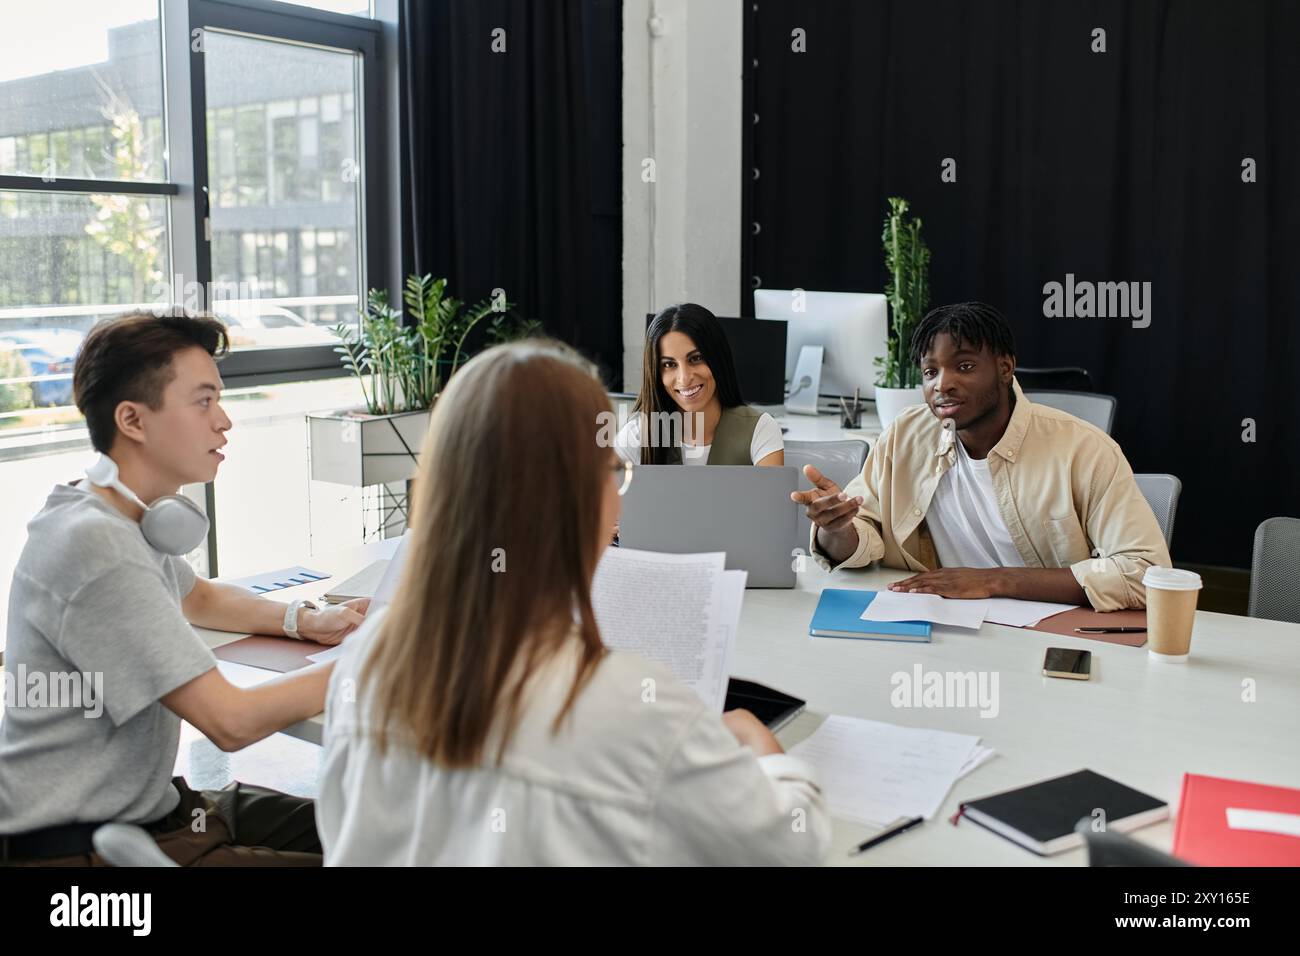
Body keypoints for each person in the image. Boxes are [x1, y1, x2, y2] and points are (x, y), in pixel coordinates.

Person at [318, 340, 830, 865]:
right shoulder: (629, 705)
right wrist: (760, 748)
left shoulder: (369, 655)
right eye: (614, 471)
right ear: (581, 496)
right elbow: (794, 847)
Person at [0, 310, 368, 866]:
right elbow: (231, 722)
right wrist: (373, 659)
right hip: (88, 854)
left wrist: (303, 619)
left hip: (164, 812)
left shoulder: (113, 512)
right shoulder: (97, 547)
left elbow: (199, 597)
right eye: (203, 401)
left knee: (381, 827)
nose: (224, 421)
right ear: (132, 420)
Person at [792, 302, 1170, 611]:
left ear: (1005, 368)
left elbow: (1145, 574)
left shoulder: (1085, 449)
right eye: (930, 371)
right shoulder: (905, 434)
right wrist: (837, 530)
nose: (943, 384)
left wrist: (992, 579)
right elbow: (865, 538)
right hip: (942, 621)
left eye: (965, 366)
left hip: (1048, 631)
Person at [615, 303, 784, 467]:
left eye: (695, 358)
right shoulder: (637, 434)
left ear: (718, 358)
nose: (685, 378)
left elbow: (771, 495)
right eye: (669, 364)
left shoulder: (760, 429)